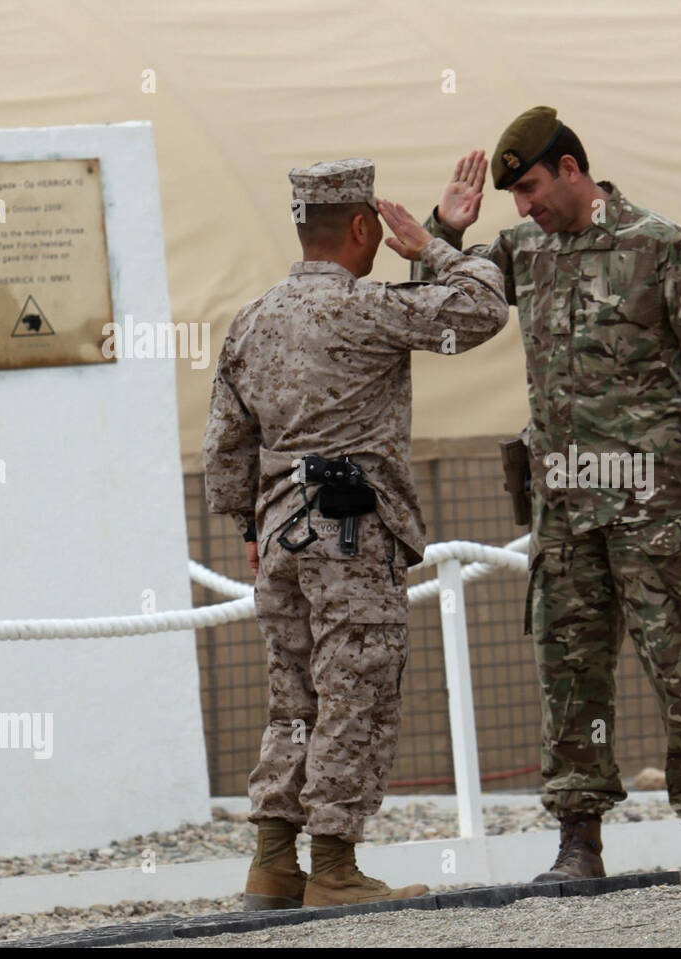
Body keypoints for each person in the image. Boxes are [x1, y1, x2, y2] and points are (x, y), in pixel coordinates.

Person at [411, 107, 681, 879]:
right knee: (569, 674)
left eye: (530, 187)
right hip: (563, 506)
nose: (523, 206)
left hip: (653, 506)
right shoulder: (522, 249)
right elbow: (440, 306)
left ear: (572, 168)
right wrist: (445, 229)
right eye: (513, 197)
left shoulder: (659, 244)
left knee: (680, 665)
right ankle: (578, 840)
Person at [203, 158, 508, 909]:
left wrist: (250, 523)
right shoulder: (365, 310)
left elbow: (224, 447)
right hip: (350, 536)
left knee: (294, 696)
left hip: (278, 534)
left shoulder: (253, 319)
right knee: (355, 691)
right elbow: (480, 310)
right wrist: (432, 247)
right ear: (366, 228)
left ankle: (274, 863)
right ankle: (334, 867)